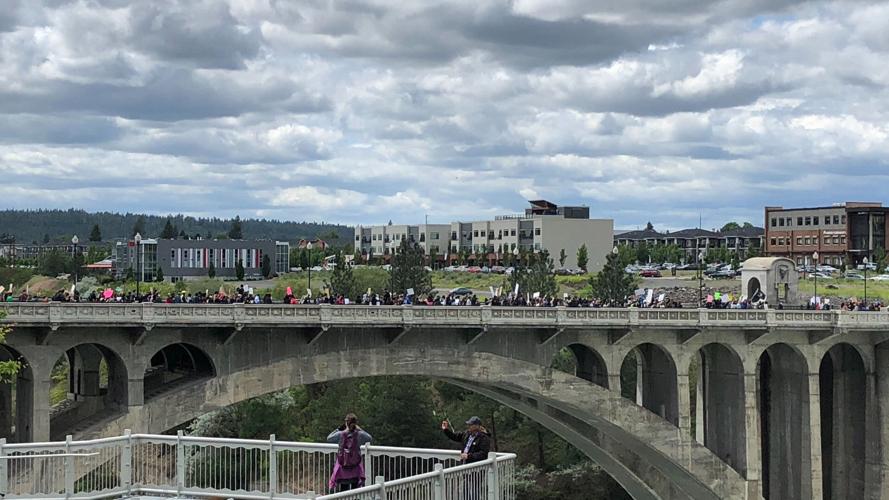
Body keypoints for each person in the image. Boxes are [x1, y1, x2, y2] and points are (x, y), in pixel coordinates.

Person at [327, 413, 373, 492]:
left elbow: (329, 438)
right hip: (355, 467)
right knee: (355, 491)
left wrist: (338, 429)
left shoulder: (340, 434)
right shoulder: (359, 434)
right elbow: (369, 438)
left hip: (343, 467)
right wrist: (360, 429)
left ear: (346, 422)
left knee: (344, 490)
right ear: (356, 423)